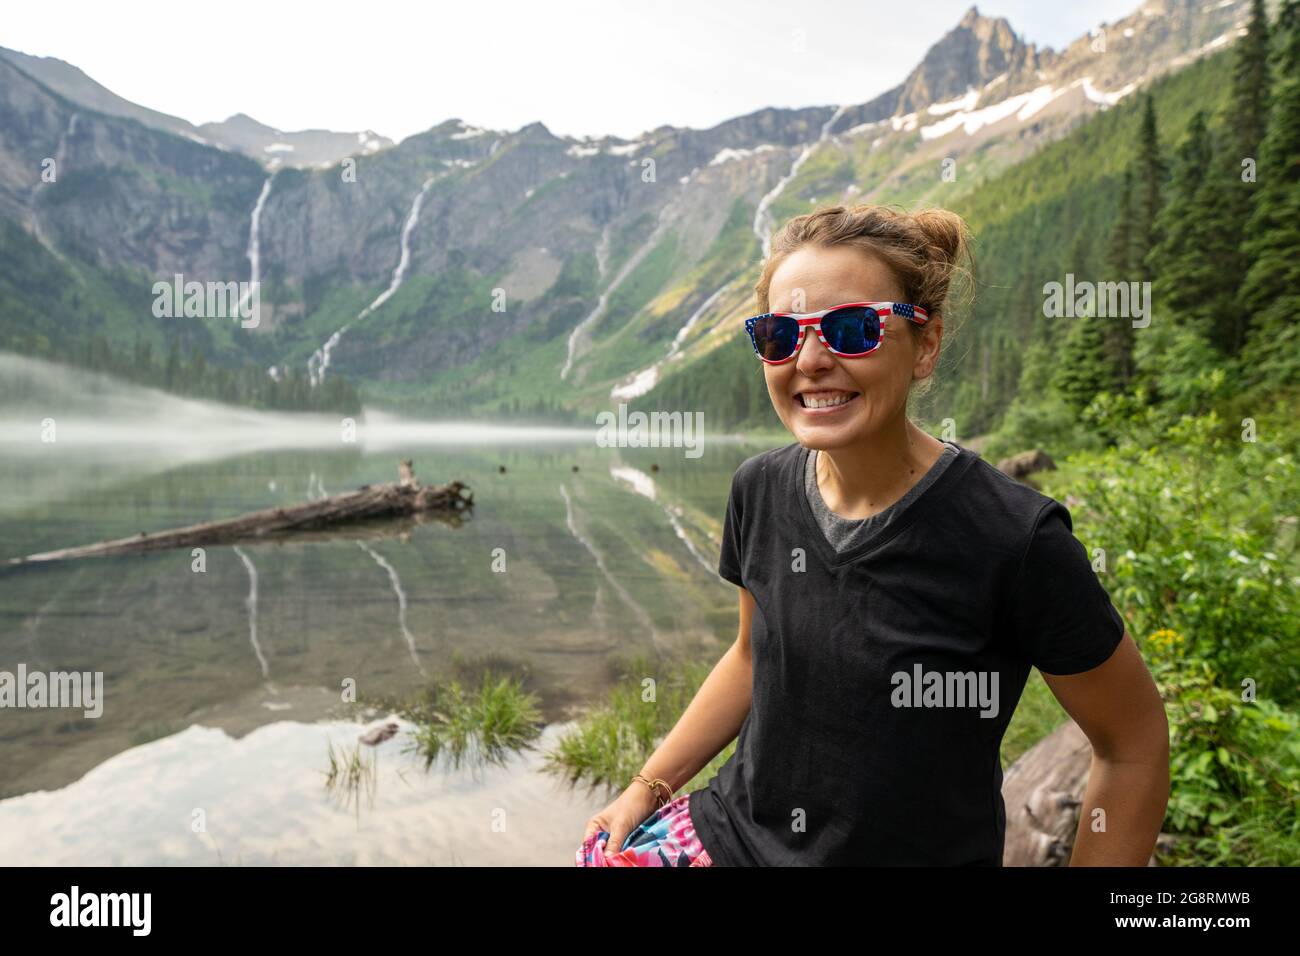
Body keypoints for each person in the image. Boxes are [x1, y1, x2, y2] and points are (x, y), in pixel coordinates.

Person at [578, 203, 1169, 867]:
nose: (809, 359)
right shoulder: (760, 490)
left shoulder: (1017, 539)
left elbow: (1133, 743)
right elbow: (750, 656)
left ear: (927, 344)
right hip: (734, 838)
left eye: (852, 329)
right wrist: (646, 787)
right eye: (779, 333)